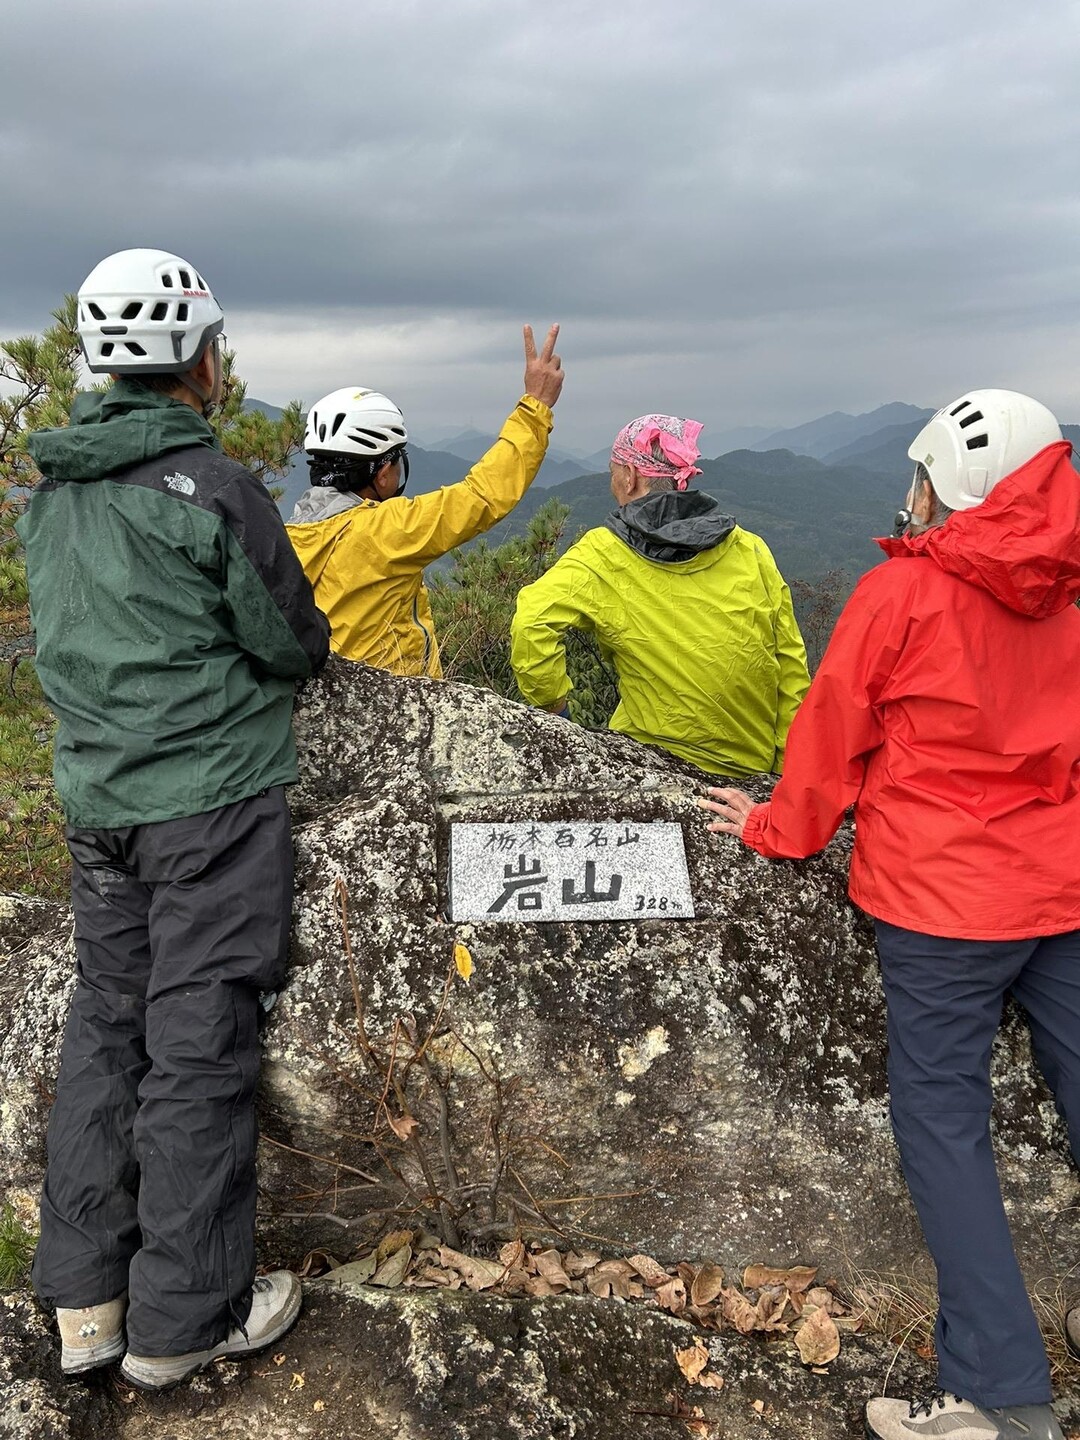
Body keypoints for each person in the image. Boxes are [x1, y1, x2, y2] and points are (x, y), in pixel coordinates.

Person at [699, 390, 1080, 1440]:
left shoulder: (900, 595)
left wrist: (775, 828)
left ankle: (1001, 1396)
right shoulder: (1067, 594)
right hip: (1064, 891)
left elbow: (830, 742)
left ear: (953, 484)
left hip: (945, 910)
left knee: (946, 1130)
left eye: (922, 476)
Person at [17, 248, 330, 1391]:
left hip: (98, 807)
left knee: (106, 1030)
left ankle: (86, 1303)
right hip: (211, 806)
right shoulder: (212, 487)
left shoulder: (52, 498)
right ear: (199, 358)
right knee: (199, 1041)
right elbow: (291, 641)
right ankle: (185, 1319)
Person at [509, 414, 810, 774]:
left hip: (647, 761)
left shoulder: (603, 553)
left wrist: (555, 710)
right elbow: (791, 666)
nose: (612, 482)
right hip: (749, 768)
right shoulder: (749, 549)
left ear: (630, 477)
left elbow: (532, 621)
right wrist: (783, 773)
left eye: (612, 472)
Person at [286, 324, 564, 675]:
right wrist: (535, 406)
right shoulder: (386, 531)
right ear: (383, 472)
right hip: (396, 709)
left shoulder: (285, 538)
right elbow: (482, 495)